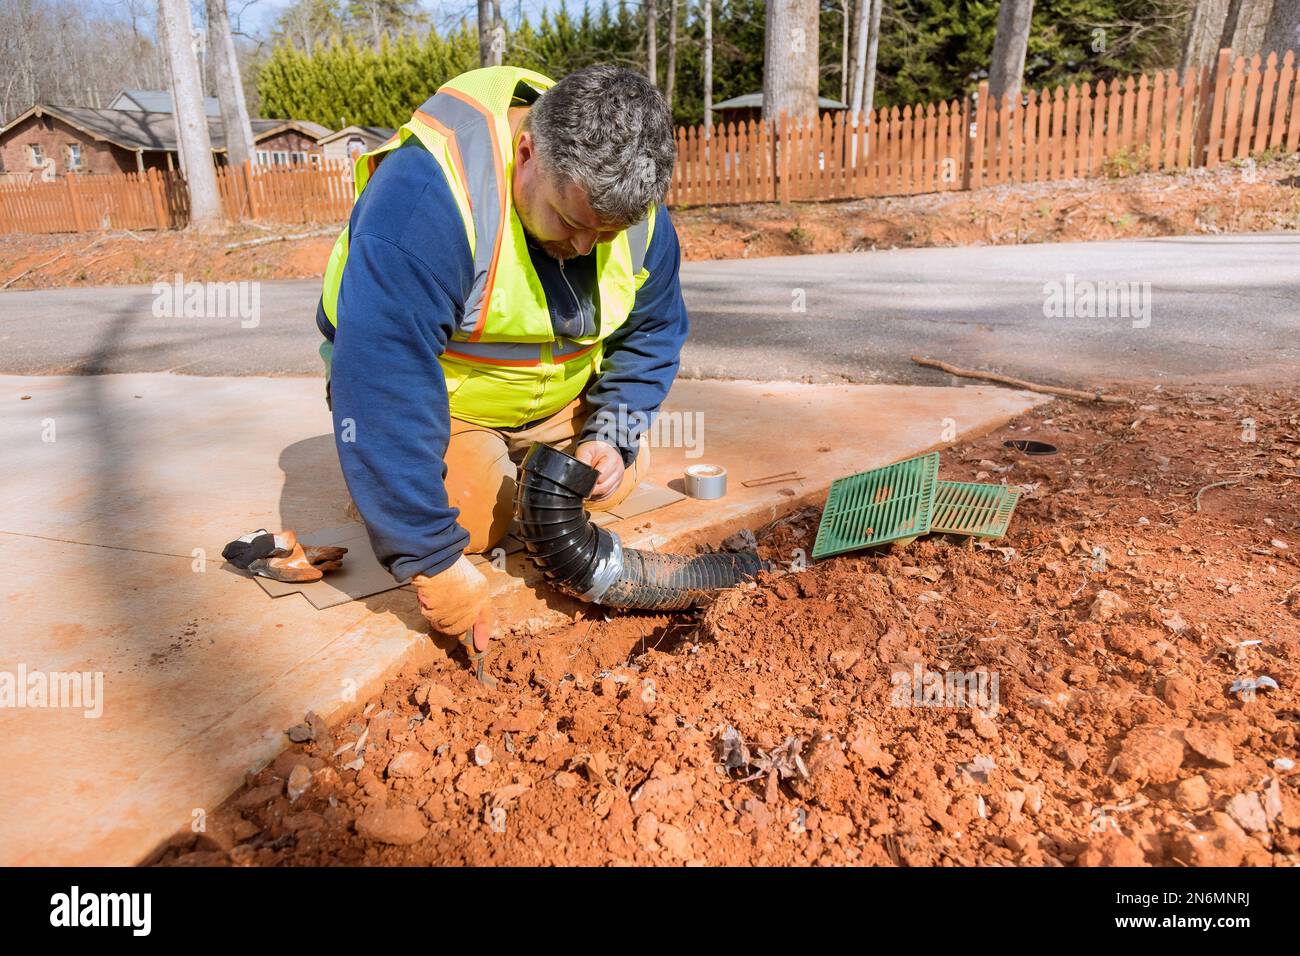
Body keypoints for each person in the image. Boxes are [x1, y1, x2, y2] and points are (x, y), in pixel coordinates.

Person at [315, 64, 688, 674]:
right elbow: (384, 379)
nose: (585, 248)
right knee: (467, 519)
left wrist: (610, 434)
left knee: (623, 472)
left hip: (557, 397)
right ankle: (391, 481)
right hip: (440, 398)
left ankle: (530, 458)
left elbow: (651, 332)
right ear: (526, 152)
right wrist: (429, 557)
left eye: (608, 232)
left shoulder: (638, 213)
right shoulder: (426, 201)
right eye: (571, 223)